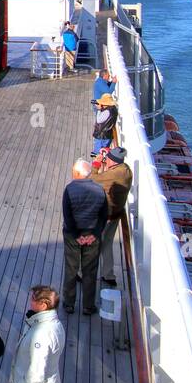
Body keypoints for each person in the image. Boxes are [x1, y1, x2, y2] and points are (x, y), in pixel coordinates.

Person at [9, 285, 65, 383]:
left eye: (33, 298)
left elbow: (36, 375)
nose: (30, 300)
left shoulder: (41, 335)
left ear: (43, 305)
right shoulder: (55, 324)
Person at [61, 159, 108, 315]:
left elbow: (68, 216)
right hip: (92, 235)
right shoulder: (100, 190)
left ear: (77, 173)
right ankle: (88, 306)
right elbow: (103, 216)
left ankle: (69, 304)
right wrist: (94, 235)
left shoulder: (69, 190)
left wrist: (76, 236)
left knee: (71, 269)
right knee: (90, 271)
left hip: (73, 235)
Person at [92, 146, 133, 285]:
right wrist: (106, 161)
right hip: (116, 214)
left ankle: (82, 272)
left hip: (104, 216)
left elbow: (92, 180)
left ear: (113, 161)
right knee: (107, 244)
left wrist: (96, 165)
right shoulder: (126, 170)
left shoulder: (113, 175)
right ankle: (108, 274)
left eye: (108, 159)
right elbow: (109, 180)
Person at [91, 93, 117, 158]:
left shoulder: (107, 111)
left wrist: (99, 110)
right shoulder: (113, 109)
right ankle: (102, 162)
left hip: (102, 136)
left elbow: (99, 120)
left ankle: (98, 165)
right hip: (107, 135)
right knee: (104, 152)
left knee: (98, 154)